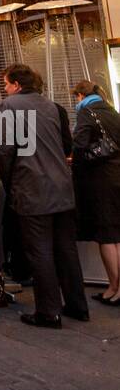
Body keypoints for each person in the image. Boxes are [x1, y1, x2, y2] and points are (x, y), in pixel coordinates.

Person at [0, 63, 88, 327]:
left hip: (33, 186)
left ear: (15, 84)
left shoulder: (9, 106)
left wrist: (9, 180)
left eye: (6, 83)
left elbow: (5, 150)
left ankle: (49, 310)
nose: (5, 88)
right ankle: (77, 304)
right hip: (61, 186)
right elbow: (66, 144)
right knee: (66, 249)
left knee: (40, 251)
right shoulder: (50, 106)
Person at [71, 80, 120, 305]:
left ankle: (114, 286)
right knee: (117, 234)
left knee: (106, 236)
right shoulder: (111, 110)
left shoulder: (86, 112)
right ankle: (117, 288)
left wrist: (73, 160)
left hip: (100, 180)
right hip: (117, 174)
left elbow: (79, 145)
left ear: (81, 96)